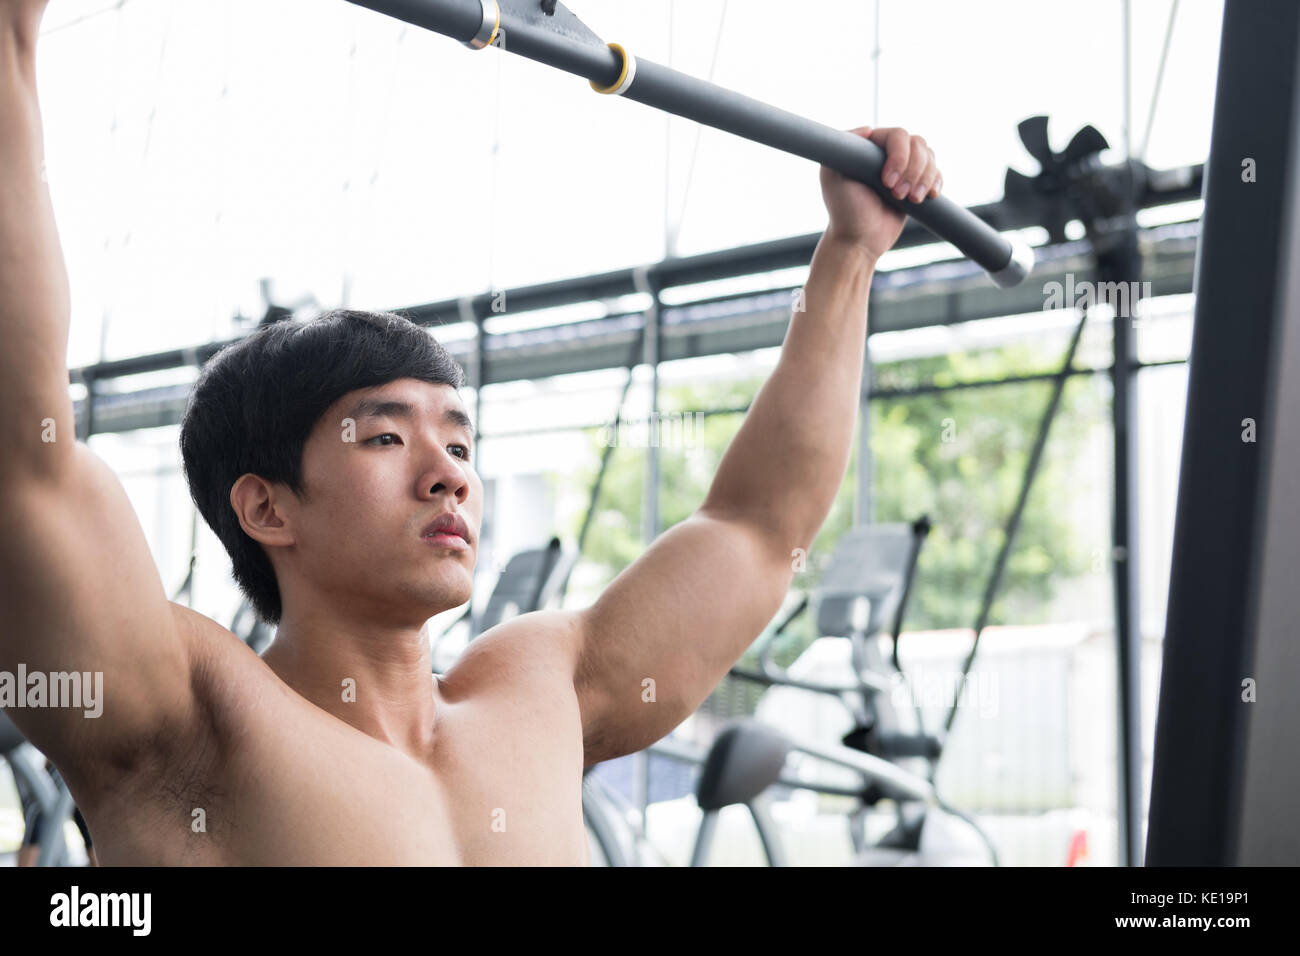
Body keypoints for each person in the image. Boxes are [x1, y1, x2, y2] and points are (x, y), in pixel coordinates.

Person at [0, 0, 943, 865]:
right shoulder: (190, 716)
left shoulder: (539, 696)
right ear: (266, 506)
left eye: (459, 443)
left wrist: (851, 253)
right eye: (383, 438)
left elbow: (756, 527)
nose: (447, 476)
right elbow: (24, 459)